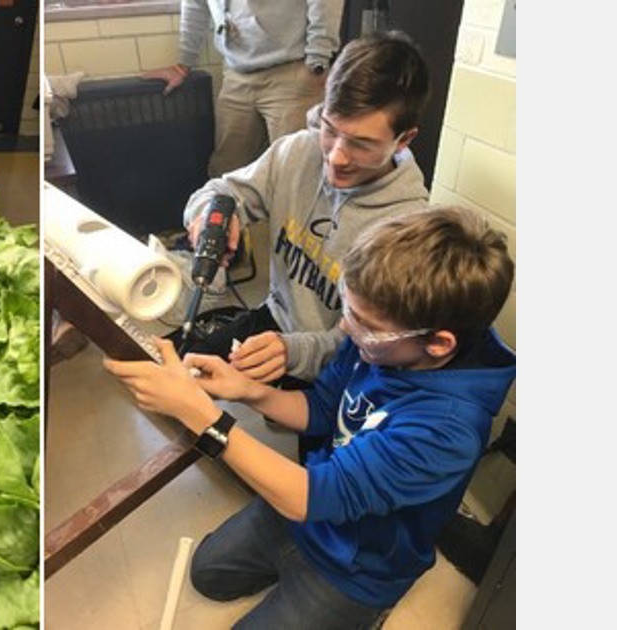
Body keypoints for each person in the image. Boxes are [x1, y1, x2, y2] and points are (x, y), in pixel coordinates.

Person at [104, 205, 516, 628]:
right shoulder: (384, 340)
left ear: (438, 344)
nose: (346, 327)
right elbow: (322, 409)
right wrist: (249, 391)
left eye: (364, 321)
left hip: (359, 567)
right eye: (348, 308)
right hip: (309, 508)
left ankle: (368, 611)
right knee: (208, 572)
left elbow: (307, 496)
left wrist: (204, 419)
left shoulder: (445, 430)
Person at [179, 30, 432, 392]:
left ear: (403, 139)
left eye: (361, 143)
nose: (336, 157)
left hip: (340, 364)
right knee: (182, 368)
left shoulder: (407, 231)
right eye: (330, 129)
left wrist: (293, 353)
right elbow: (220, 191)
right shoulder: (297, 151)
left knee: (310, 447)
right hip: (277, 317)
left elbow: (371, 344)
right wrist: (209, 215)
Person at [143, 0, 344, 177]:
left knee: (295, 172)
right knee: (226, 169)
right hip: (237, 73)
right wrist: (183, 65)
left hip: (292, 71)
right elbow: (196, 4)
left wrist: (318, 60)